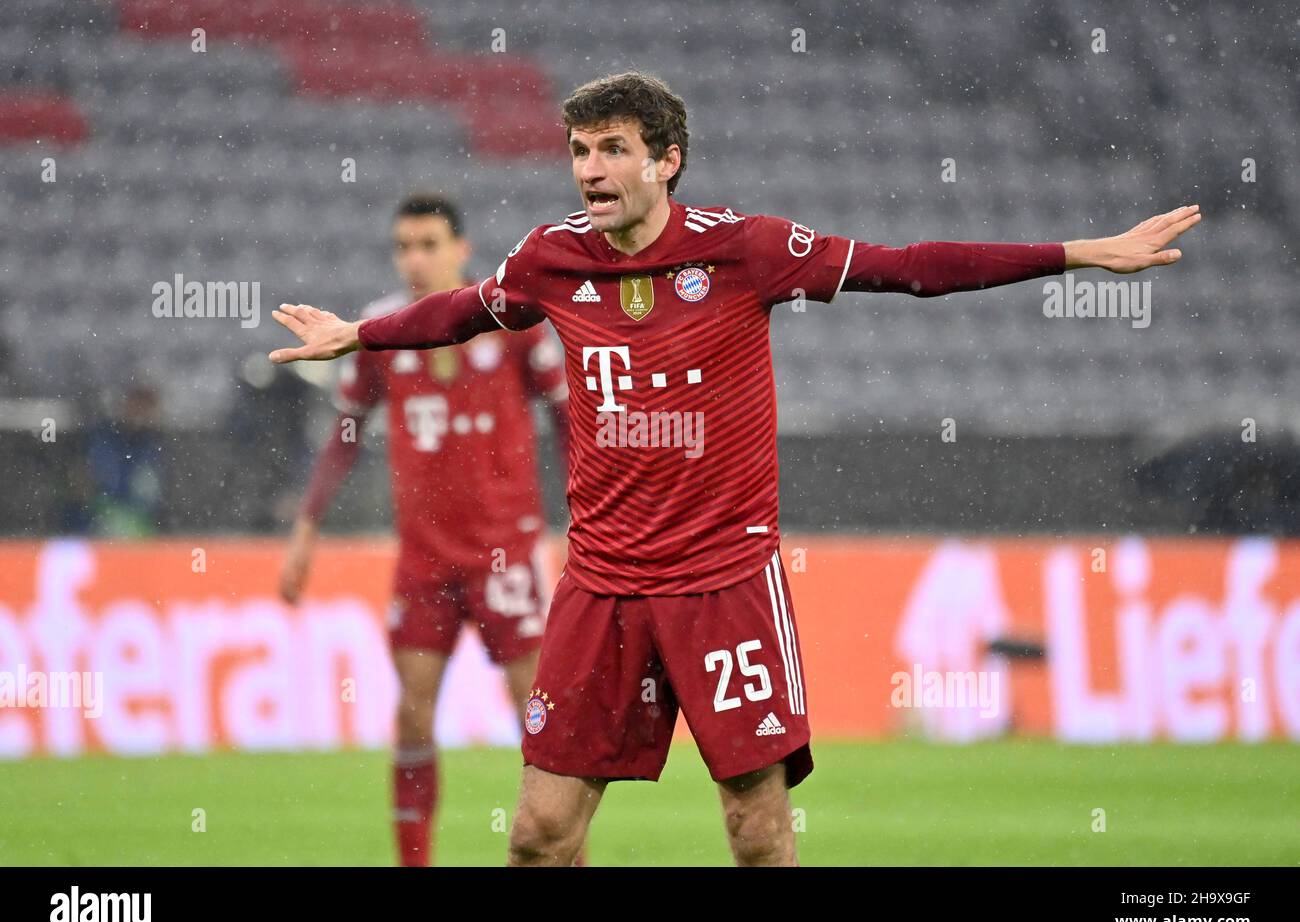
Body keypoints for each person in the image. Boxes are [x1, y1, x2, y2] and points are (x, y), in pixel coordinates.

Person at [268, 71, 1201, 866]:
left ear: (666, 157)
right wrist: (359, 332)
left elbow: (910, 266)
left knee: (756, 832)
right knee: (538, 835)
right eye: (580, 150)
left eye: (613, 149)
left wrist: (1079, 253)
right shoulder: (553, 260)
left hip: (724, 581)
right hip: (603, 584)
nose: (590, 169)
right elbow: (466, 310)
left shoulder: (744, 251)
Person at [278, 194, 570, 866]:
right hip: (424, 560)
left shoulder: (514, 321)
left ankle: (566, 856)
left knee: (539, 723)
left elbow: (568, 418)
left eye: (429, 244)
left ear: (461, 248)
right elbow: (344, 435)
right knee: (412, 714)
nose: (415, 258)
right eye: (404, 246)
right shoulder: (380, 329)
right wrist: (305, 528)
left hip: (507, 555)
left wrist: (586, 517)